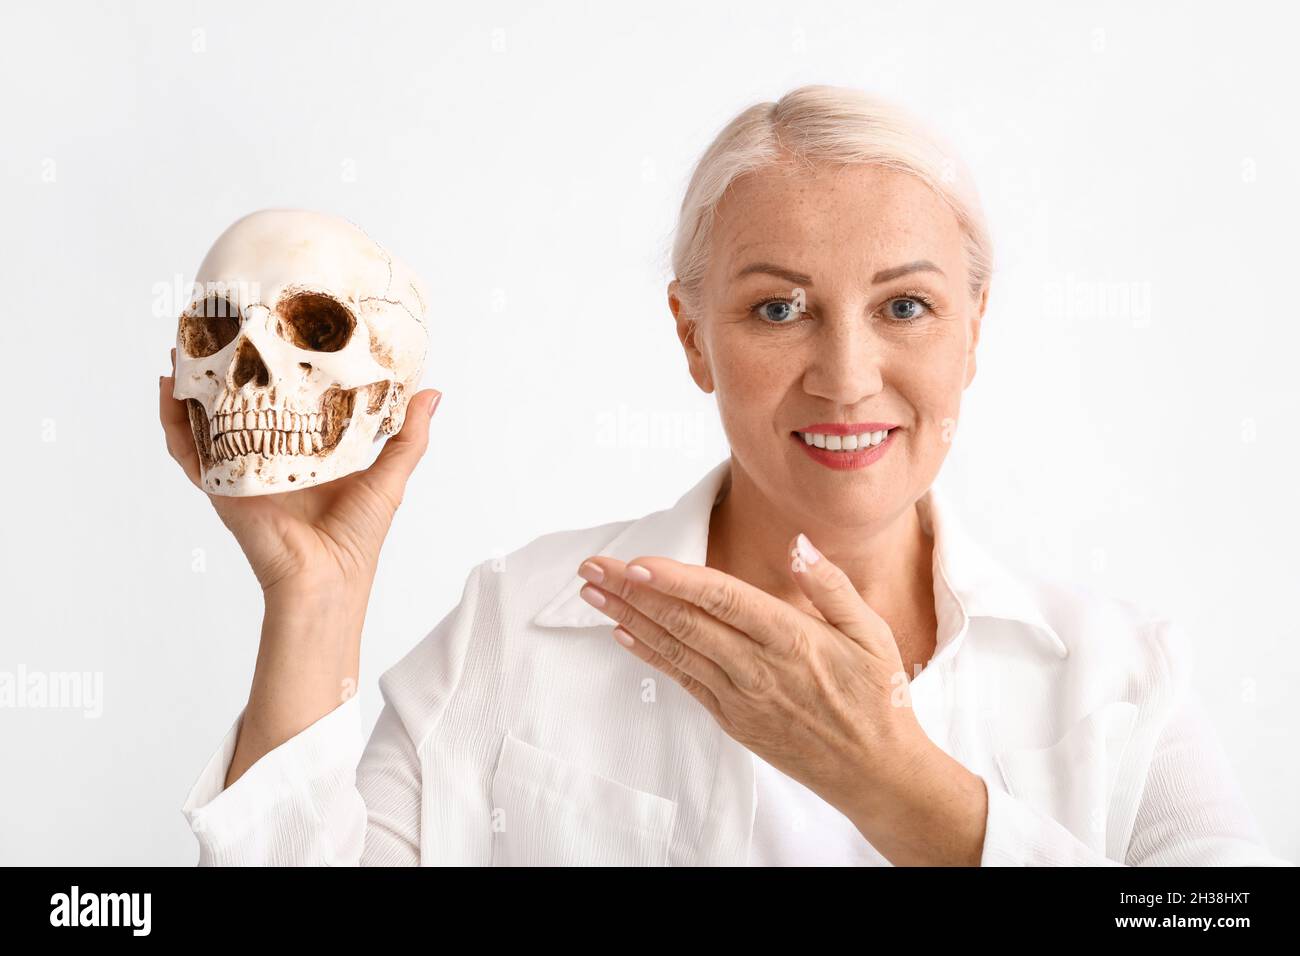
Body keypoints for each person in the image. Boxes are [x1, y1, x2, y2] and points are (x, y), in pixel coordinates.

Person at [160, 85, 1292, 866]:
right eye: (777, 308)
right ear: (692, 335)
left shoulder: (1115, 676)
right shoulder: (515, 628)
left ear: (974, 329)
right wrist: (314, 594)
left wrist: (899, 784)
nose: (846, 377)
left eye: (905, 305)